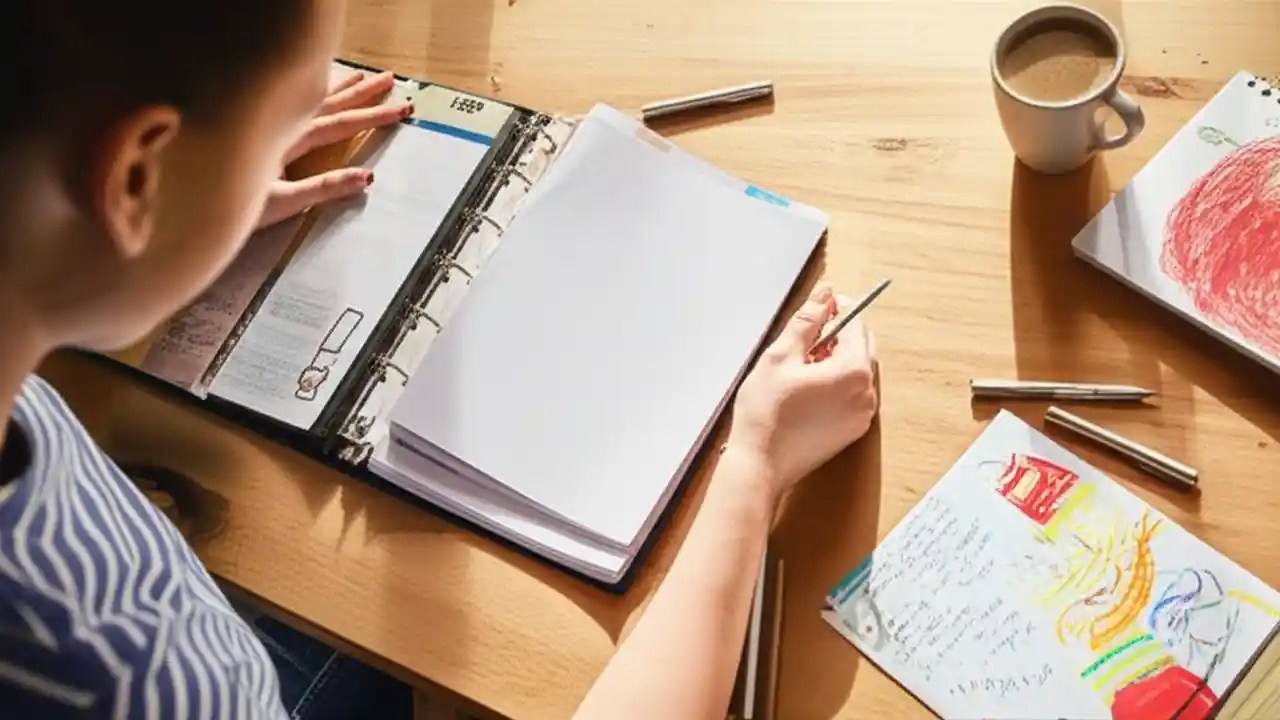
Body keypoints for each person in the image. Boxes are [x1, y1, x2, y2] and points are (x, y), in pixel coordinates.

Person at [0, 2, 878, 719]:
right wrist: (755, 465)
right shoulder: (133, 678)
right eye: (281, 117)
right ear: (131, 177)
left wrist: (164, 224)